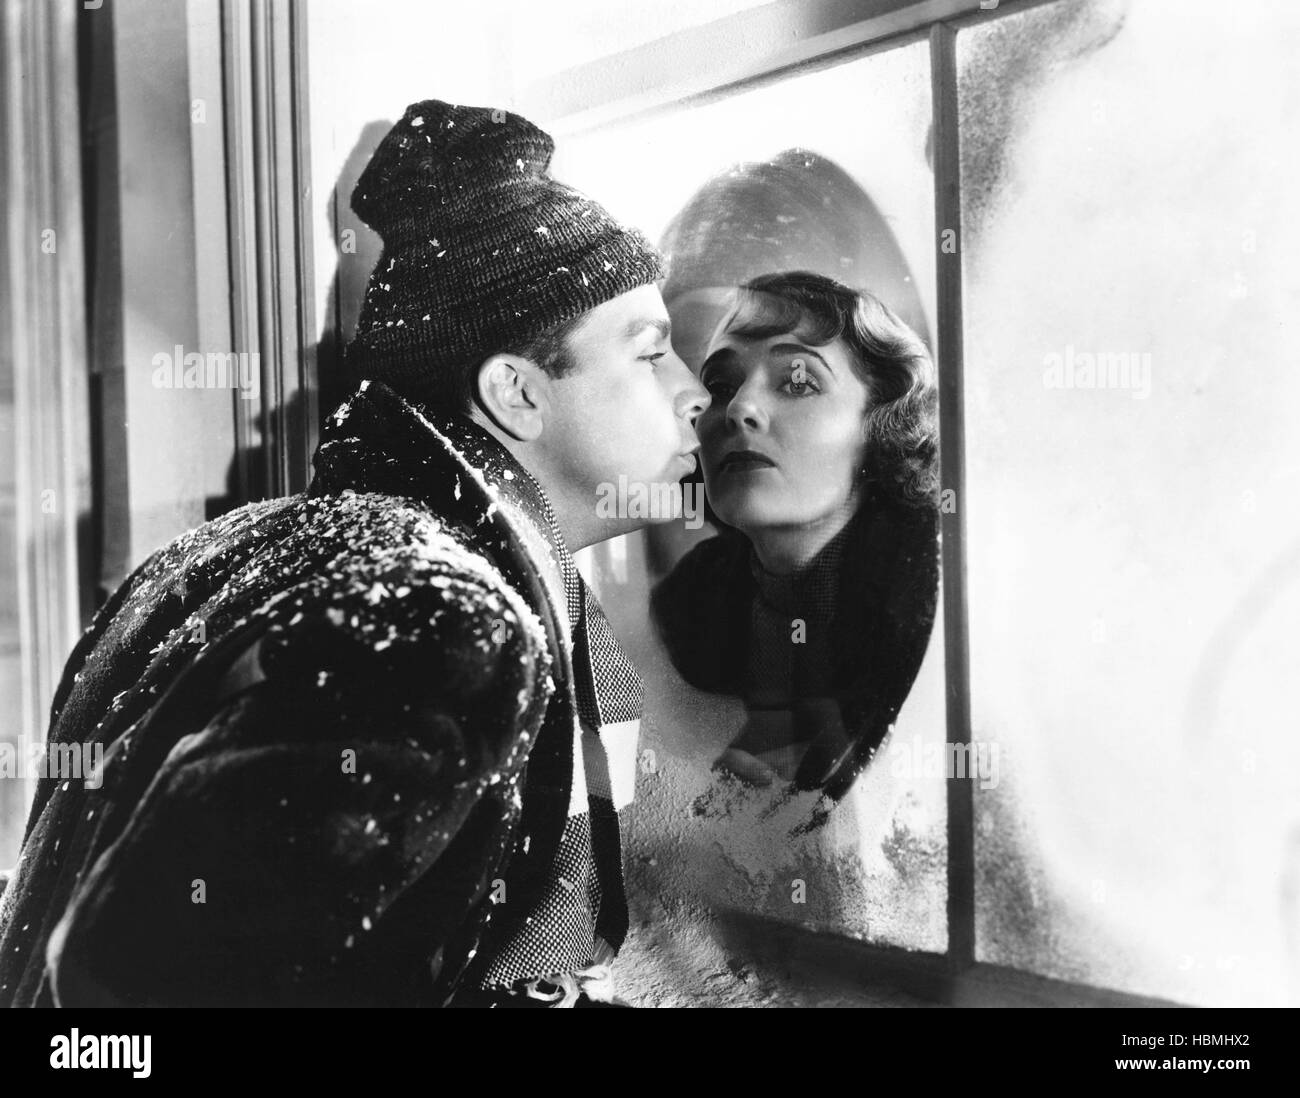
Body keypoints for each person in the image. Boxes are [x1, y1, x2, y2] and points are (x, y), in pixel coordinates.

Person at [0, 99, 708, 1007]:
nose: (694, 393)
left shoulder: (227, 551)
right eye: (650, 355)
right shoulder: (445, 623)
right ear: (517, 395)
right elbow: (145, 980)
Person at [651, 270, 938, 798]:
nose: (737, 409)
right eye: (719, 386)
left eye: (798, 380)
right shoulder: (687, 608)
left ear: (880, 425)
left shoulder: (930, 605)